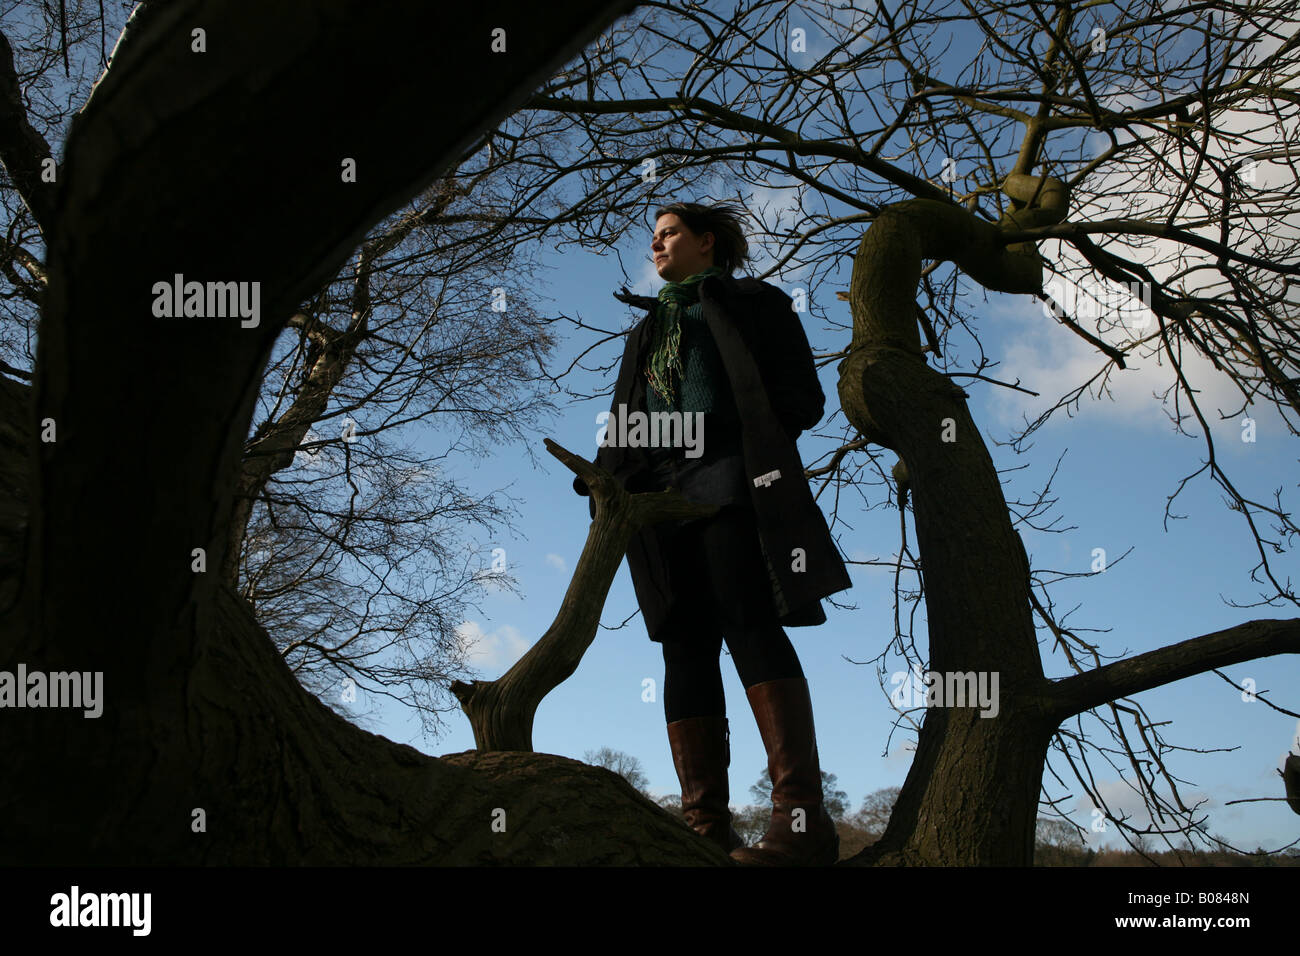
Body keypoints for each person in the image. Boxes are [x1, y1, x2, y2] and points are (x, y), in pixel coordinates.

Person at [574, 200, 852, 866]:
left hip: (730, 478)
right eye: (653, 238)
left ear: (706, 242)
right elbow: (627, 418)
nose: (657, 245)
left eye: (669, 233)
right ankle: (705, 828)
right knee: (682, 643)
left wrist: (735, 437)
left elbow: (800, 400)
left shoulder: (757, 303)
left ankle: (802, 818)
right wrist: (604, 480)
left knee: (747, 620)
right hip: (651, 499)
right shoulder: (648, 329)